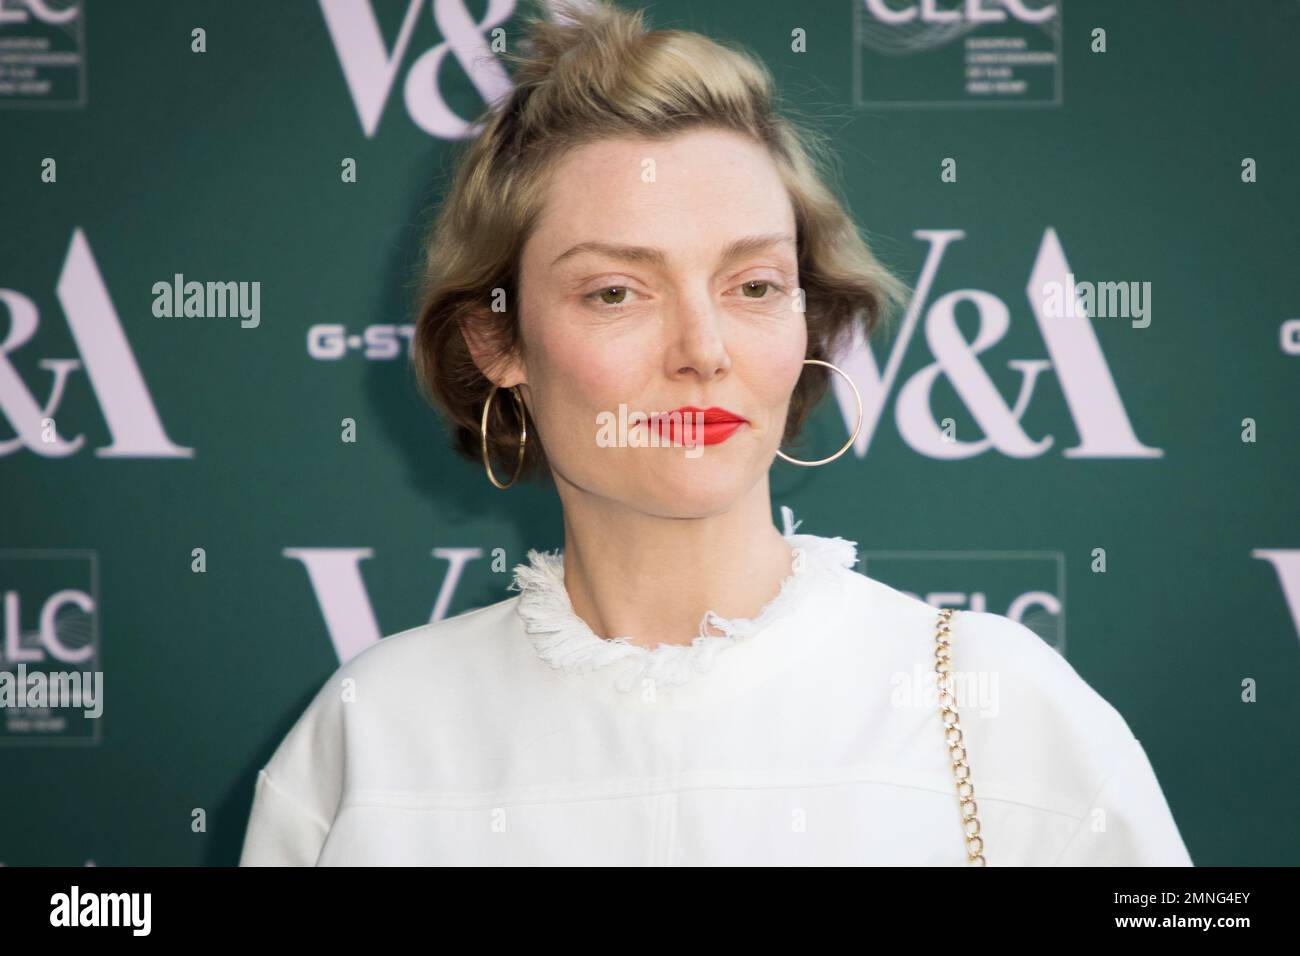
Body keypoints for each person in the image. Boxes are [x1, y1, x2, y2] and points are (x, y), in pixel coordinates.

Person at [239, 0, 1192, 866]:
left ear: (808, 321)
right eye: (617, 291)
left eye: (754, 287)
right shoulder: (371, 740)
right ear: (499, 339)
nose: (703, 349)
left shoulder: (1001, 709)